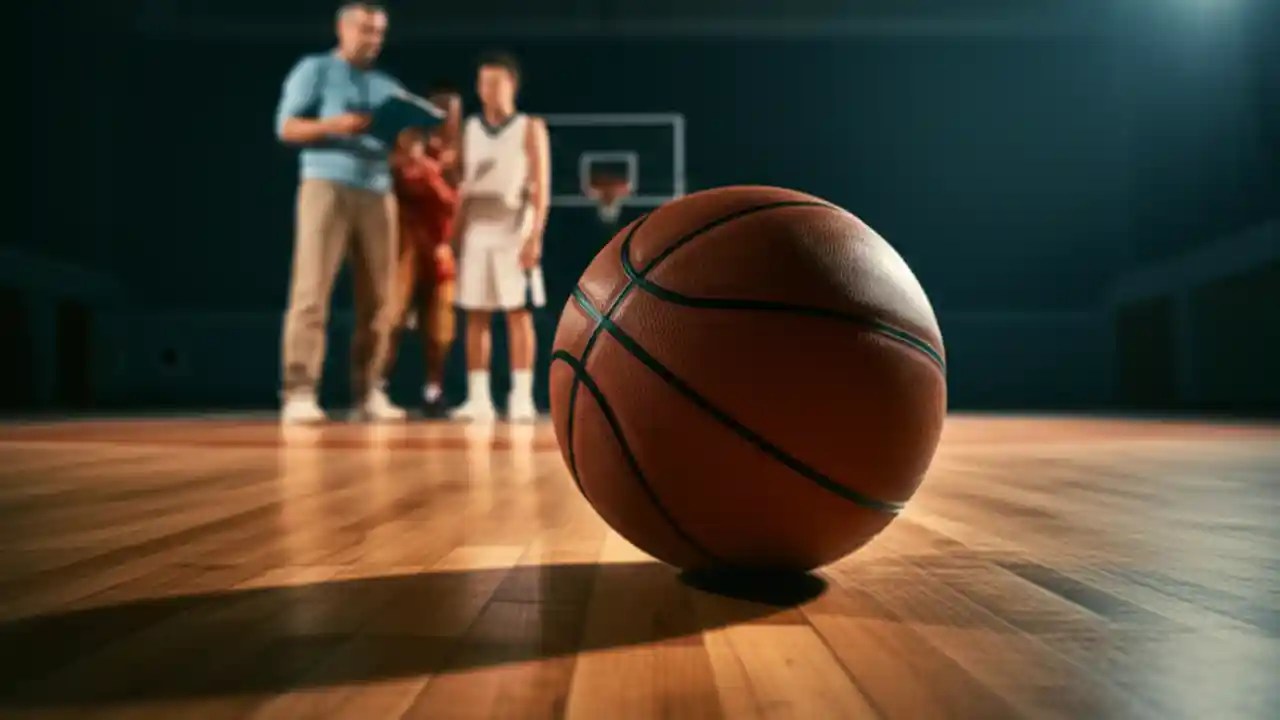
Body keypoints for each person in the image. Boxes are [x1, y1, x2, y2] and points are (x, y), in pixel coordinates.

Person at [275, 2, 424, 424]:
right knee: (311, 292)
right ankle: (299, 391)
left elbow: (399, 147)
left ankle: (369, 391)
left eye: (379, 32)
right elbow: (285, 127)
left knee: (380, 298)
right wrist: (334, 126)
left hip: (378, 192)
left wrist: (409, 147)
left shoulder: (387, 86)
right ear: (342, 28)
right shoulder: (315, 70)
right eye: (365, 30)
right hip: (326, 185)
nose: (373, 39)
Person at [450, 52, 551, 422]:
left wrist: (534, 236)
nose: (487, 90)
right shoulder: (469, 128)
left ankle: (521, 396)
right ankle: (479, 398)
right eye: (482, 83)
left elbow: (541, 187)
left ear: (512, 85)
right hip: (476, 228)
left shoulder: (529, 127)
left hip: (514, 226)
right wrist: (454, 237)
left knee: (517, 313)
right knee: (475, 313)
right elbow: (460, 186)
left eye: (495, 82)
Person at [384, 86, 463, 417]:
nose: (445, 118)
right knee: (392, 317)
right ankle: (376, 387)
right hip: (405, 247)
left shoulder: (461, 156)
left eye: (451, 112)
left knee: (440, 326)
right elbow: (401, 179)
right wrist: (423, 169)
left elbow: (458, 203)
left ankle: (434, 390)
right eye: (439, 110)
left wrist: (436, 177)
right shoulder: (409, 144)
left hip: (443, 249)